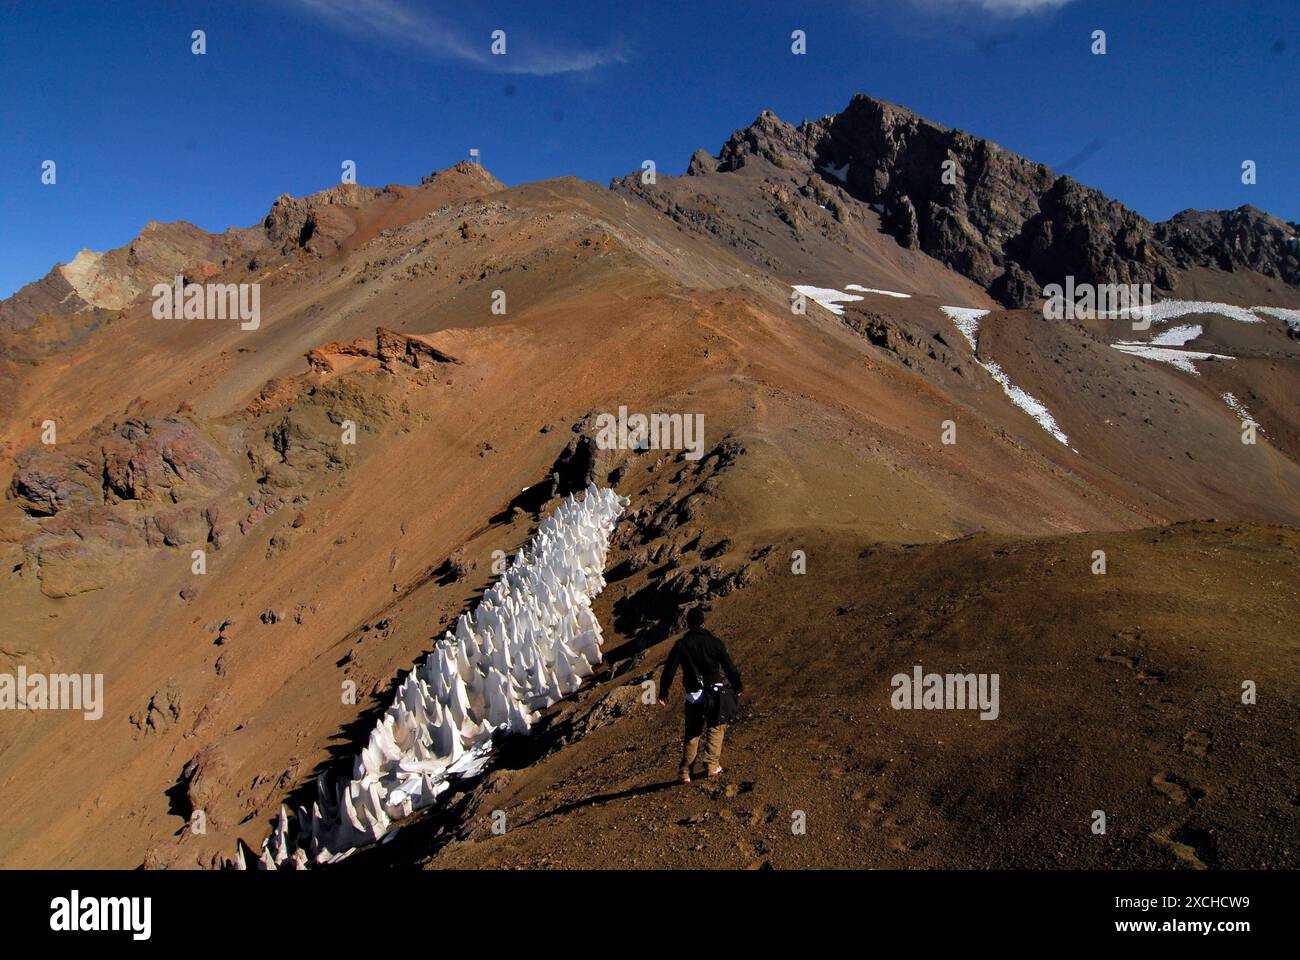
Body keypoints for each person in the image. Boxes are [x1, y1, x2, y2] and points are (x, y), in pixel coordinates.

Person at [657, 606, 743, 782]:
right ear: (703, 622)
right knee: (716, 726)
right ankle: (711, 765)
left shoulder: (681, 644)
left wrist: (663, 692)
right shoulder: (715, 642)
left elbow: (669, 671)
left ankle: (685, 773)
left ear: (688, 624)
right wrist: (737, 686)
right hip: (716, 690)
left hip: (694, 694)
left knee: (693, 732)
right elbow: (729, 667)